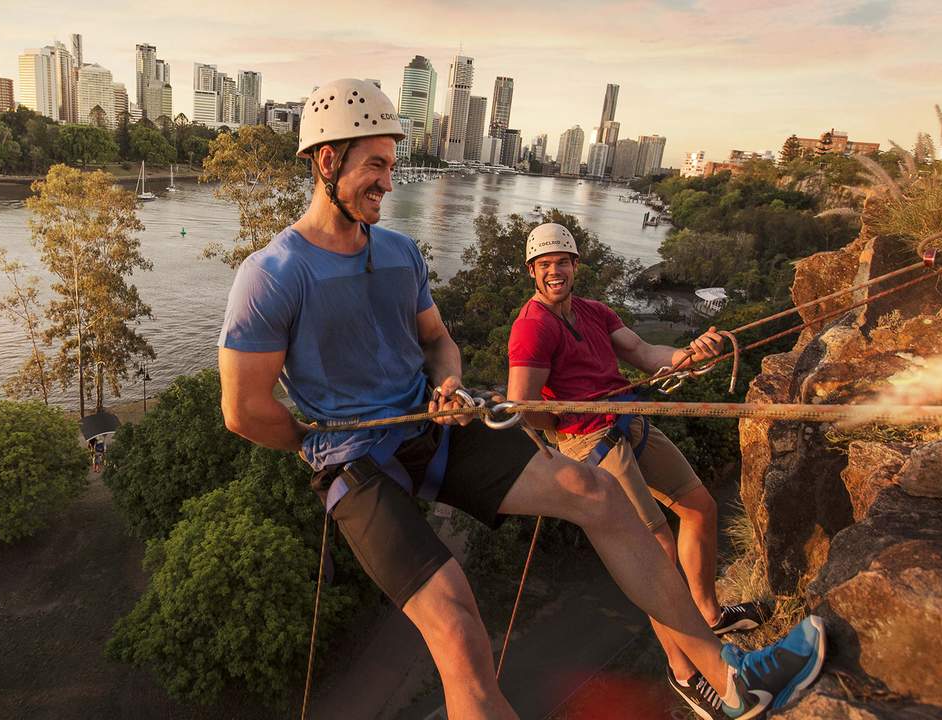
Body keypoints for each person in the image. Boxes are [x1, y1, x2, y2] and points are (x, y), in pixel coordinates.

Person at [218, 78, 824, 719]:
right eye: (376, 166)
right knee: (459, 635)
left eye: (391, 167)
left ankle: (728, 680)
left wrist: (448, 383)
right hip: (354, 462)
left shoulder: (399, 253)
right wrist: (316, 443)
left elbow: (437, 341)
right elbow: (243, 410)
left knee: (597, 493)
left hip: (432, 425)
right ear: (327, 160)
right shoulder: (272, 275)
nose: (389, 183)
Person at [507, 222, 770, 717]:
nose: (554, 271)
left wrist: (690, 355)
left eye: (561, 262)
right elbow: (523, 406)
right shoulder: (532, 327)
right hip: (589, 441)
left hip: (627, 420)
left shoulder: (594, 312)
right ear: (532, 273)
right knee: (656, 551)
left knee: (699, 507)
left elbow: (646, 355)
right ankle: (684, 672)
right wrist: (563, 419)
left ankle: (709, 613)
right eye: (544, 265)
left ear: (575, 266)